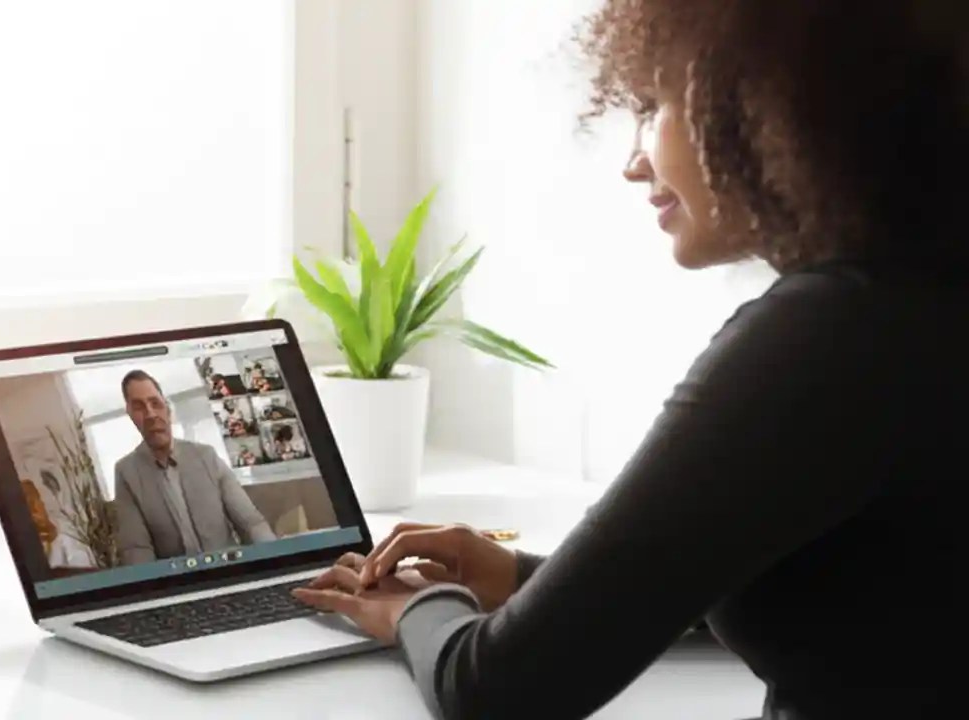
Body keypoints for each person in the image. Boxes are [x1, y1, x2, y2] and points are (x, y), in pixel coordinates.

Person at [293, 2, 965, 718]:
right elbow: (863, 608)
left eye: (654, 106)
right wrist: (523, 578)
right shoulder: (923, 302)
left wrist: (420, 606)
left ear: (771, 105)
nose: (632, 162)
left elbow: (496, 691)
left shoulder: (830, 338)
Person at [114, 370, 276, 565]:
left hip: (230, 570)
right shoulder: (125, 472)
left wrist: (275, 567)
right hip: (178, 584)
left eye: (155, 403)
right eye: (139, 407)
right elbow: (136, 550)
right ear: (130, 415)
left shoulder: (206, 456)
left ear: (167, 408)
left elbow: (251, 524)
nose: (150, 414)